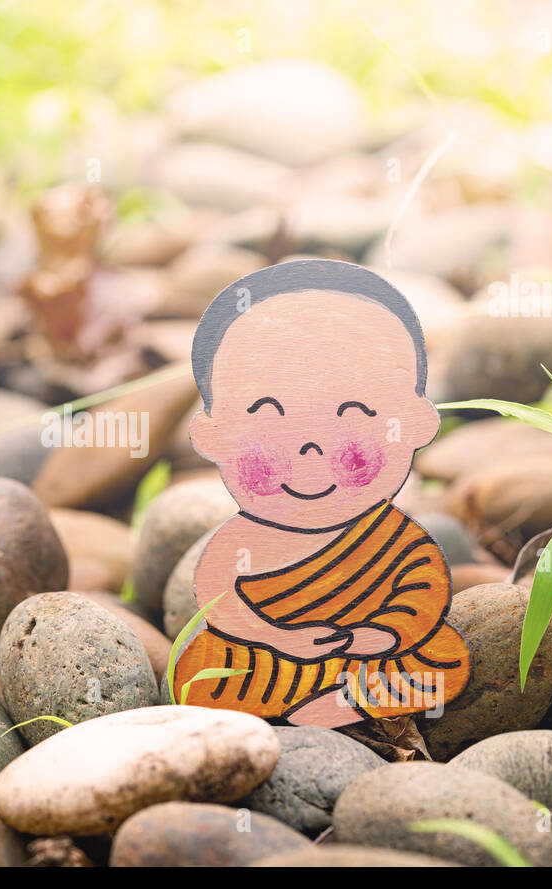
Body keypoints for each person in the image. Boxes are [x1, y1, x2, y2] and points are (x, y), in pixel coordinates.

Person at [171, 259, 471, 727]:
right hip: (270, 655)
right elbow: (219, 600)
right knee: (204, 675)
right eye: (267, 414)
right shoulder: (240, 543)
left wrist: (381, 635)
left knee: (443, 658)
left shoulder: (394, 536)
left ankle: (347, 702)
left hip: (369, 651)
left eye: (353, 413)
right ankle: (326, 700)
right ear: (211, 435)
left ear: (416, 424)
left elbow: (422, 591)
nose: (309, 447)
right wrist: (272, 636)